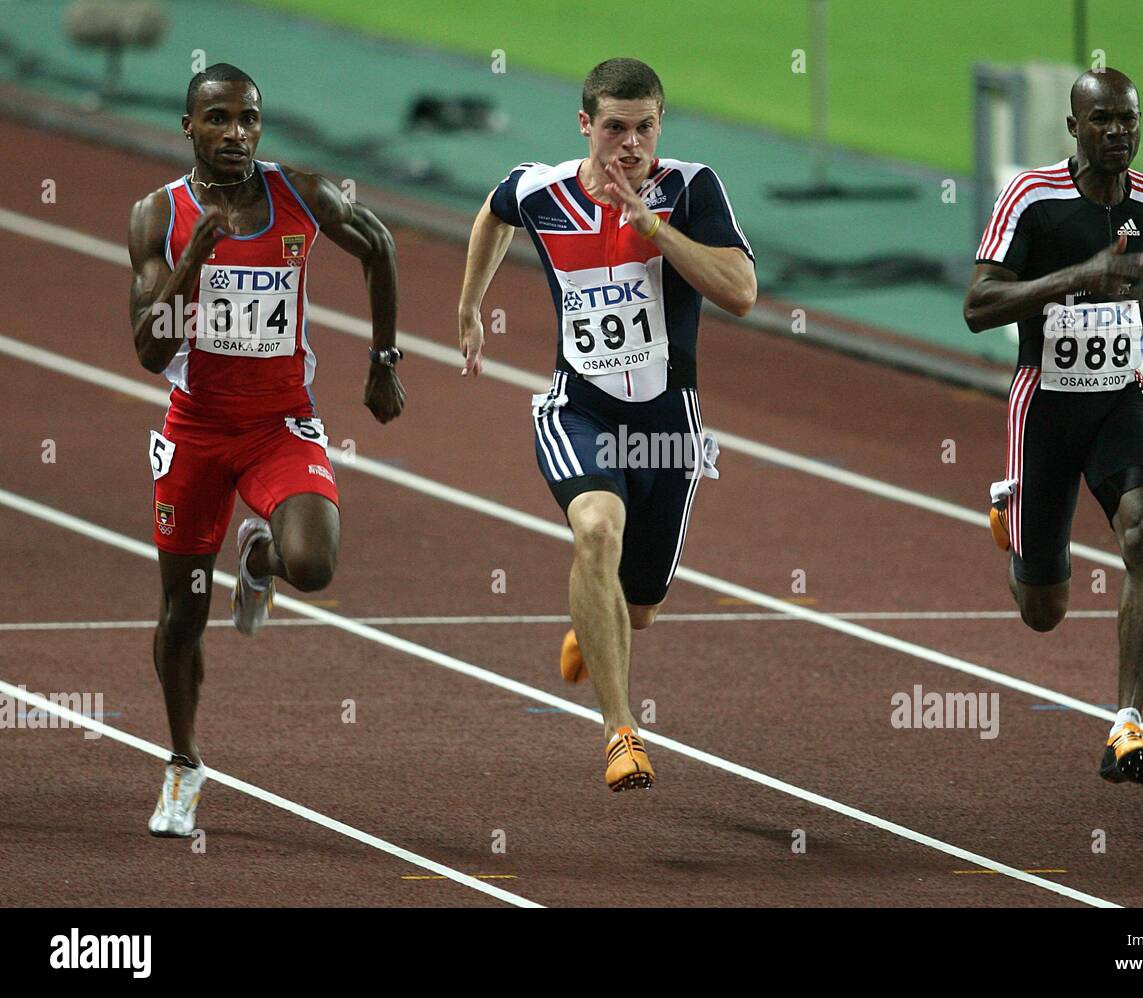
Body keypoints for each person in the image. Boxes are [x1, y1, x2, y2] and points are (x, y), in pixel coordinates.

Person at [457, 58, 756, 791]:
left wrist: (653, 226)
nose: (631, 143)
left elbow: (742, 292)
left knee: (640, 607)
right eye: (615, 127)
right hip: (578, 409)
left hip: (666, 425)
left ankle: (595, 623)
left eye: (645, 127)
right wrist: (470, 304)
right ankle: (622, 732)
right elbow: (494, 212)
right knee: (594, 529)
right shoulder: (542, 189)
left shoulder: (690, 189)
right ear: (586, 124)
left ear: (660, 125)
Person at [127, 63, 405, 835]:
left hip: (281, 422)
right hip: (197, 431)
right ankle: (183, 765)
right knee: (184, 614)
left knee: (314, 563)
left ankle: (261, 559)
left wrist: (383, 364)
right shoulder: (158, 216)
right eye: (217, 119)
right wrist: (194, 258)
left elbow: (379, 246)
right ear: (189, 126)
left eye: (248, 119)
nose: (235, 134)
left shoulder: (302, 195)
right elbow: (151, 353)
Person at [963, 68, 1143, 785]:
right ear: (1074, 130)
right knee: (1043, 610)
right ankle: (1015, 518)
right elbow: (978, 306)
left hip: (1120, 399)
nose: (1118, 132)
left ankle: (1128, 724)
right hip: (1045, 405)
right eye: (1103, 120)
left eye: (1130, 120)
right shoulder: (1032, 199)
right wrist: (1074, 277)